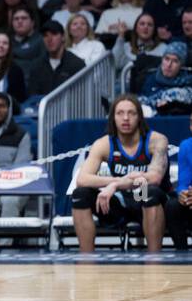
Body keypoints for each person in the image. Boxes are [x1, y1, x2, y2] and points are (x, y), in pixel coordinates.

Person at [71, 95, 171, 253]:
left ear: (139, 117)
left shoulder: (156, 140)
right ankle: (86, 259)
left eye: (131, 113)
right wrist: (116, 181)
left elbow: (154, 178)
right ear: (113, 118)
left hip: (144, 199)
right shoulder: (104, 144)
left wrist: (115, 184)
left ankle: (154, 258)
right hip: (122, 201)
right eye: (120, 113)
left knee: (149, 192)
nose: (126, 118)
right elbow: (82, 179)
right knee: (80, 194)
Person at [24, 19, 85, 96]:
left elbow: (82, 95)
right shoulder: (36, 65)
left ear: (63, 37)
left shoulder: (77, 64)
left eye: (54, 34)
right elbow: (32, 95)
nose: (49, 39)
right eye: (45, 35)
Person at [165, 120, 191, 250]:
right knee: (172, 206)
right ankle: (182, 255)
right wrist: (184, 194)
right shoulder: (186, 146)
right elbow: (183, 182)